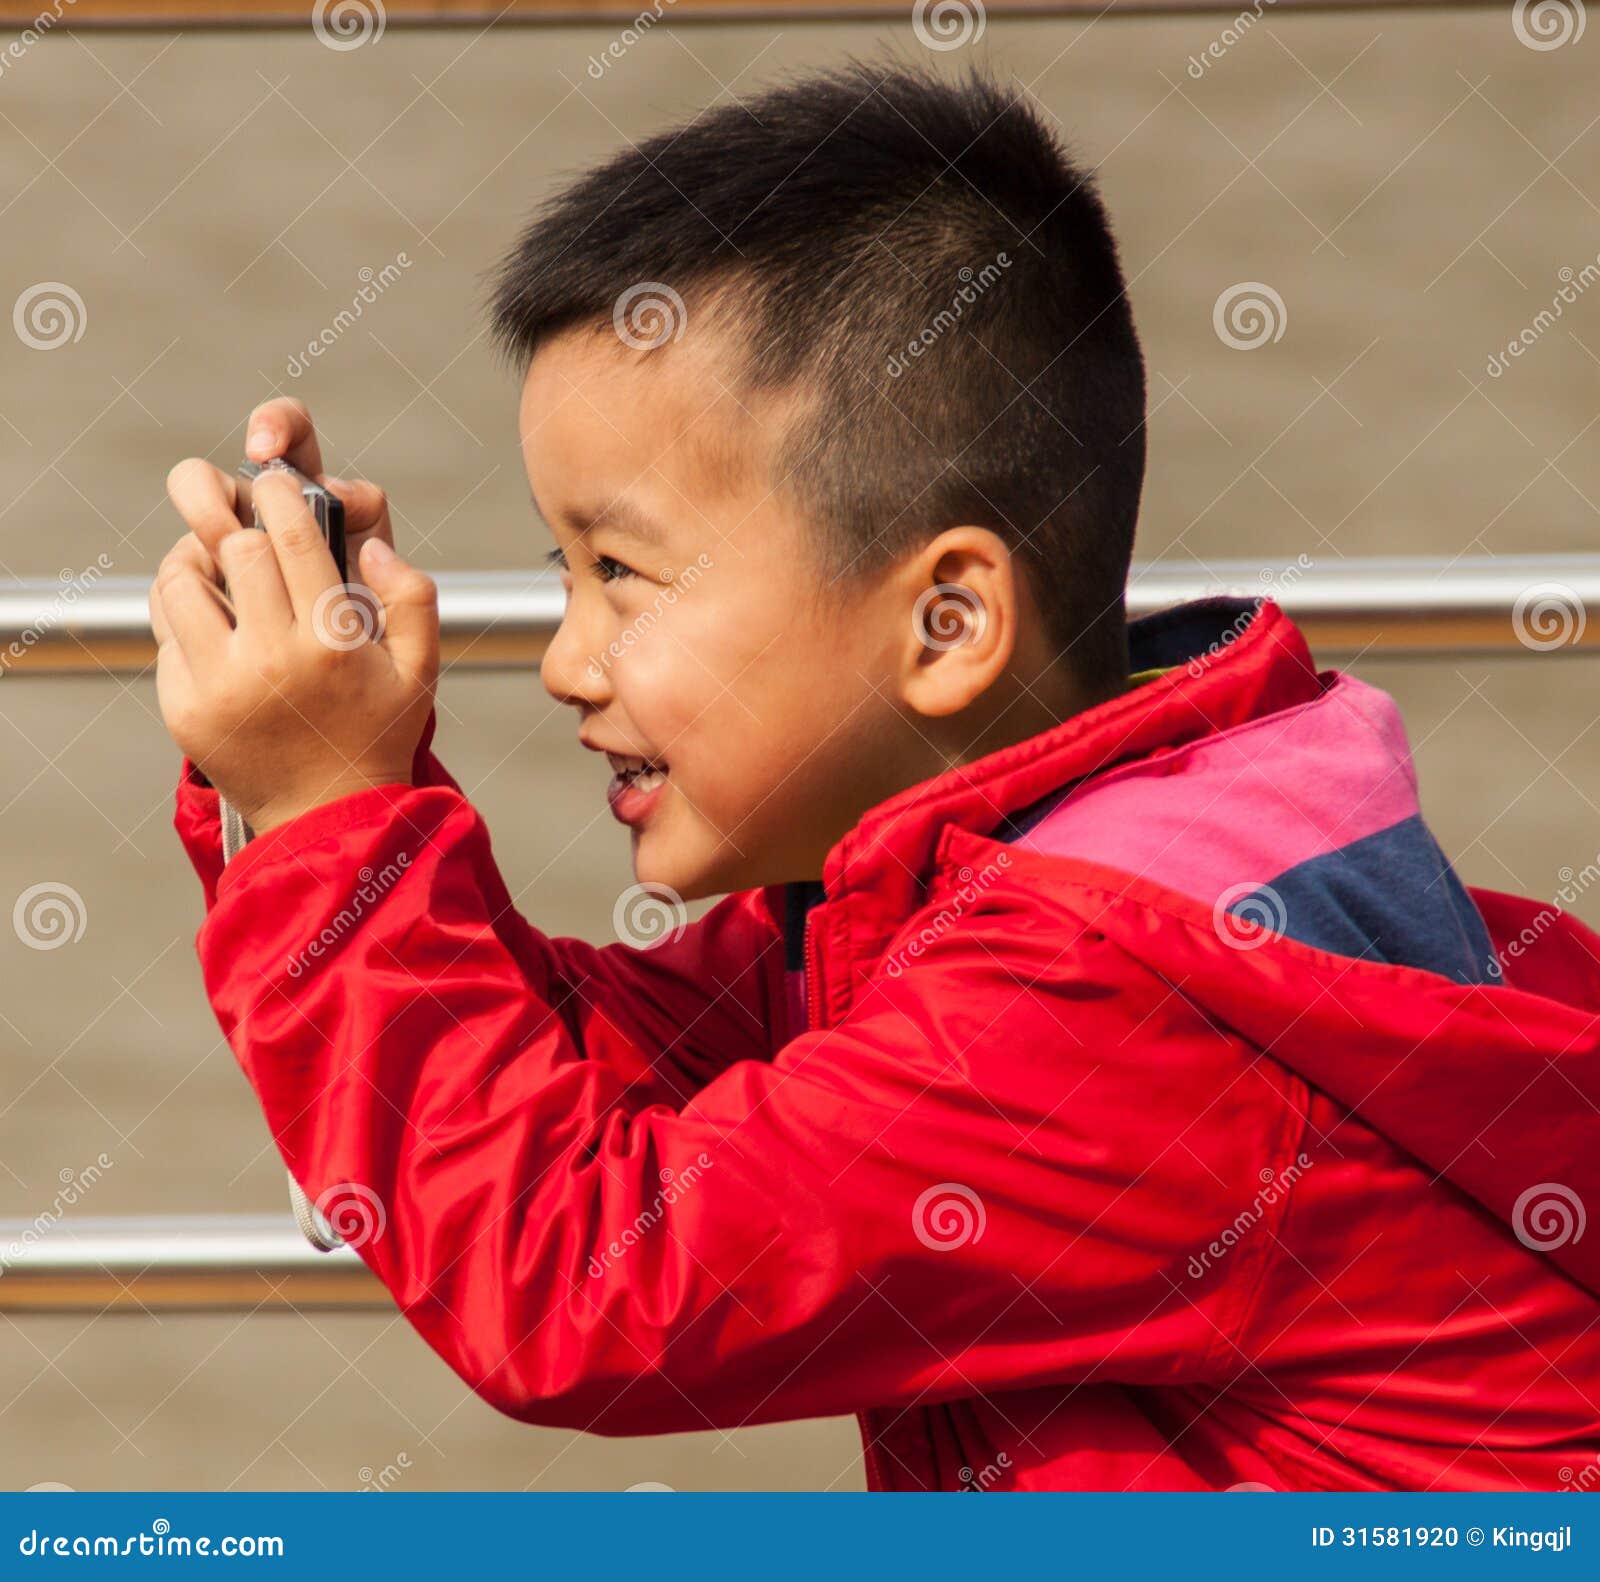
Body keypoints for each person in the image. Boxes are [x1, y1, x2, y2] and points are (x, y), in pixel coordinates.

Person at [151, 61, 1600, 1492]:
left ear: (948, 621)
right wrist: (318, 777)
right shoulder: (1014, 873)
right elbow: (576, 1079)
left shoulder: (1113, 998)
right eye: (561, 570)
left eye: (623, 575)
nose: (567, 661)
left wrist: (337, 820)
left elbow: (596, 1279)